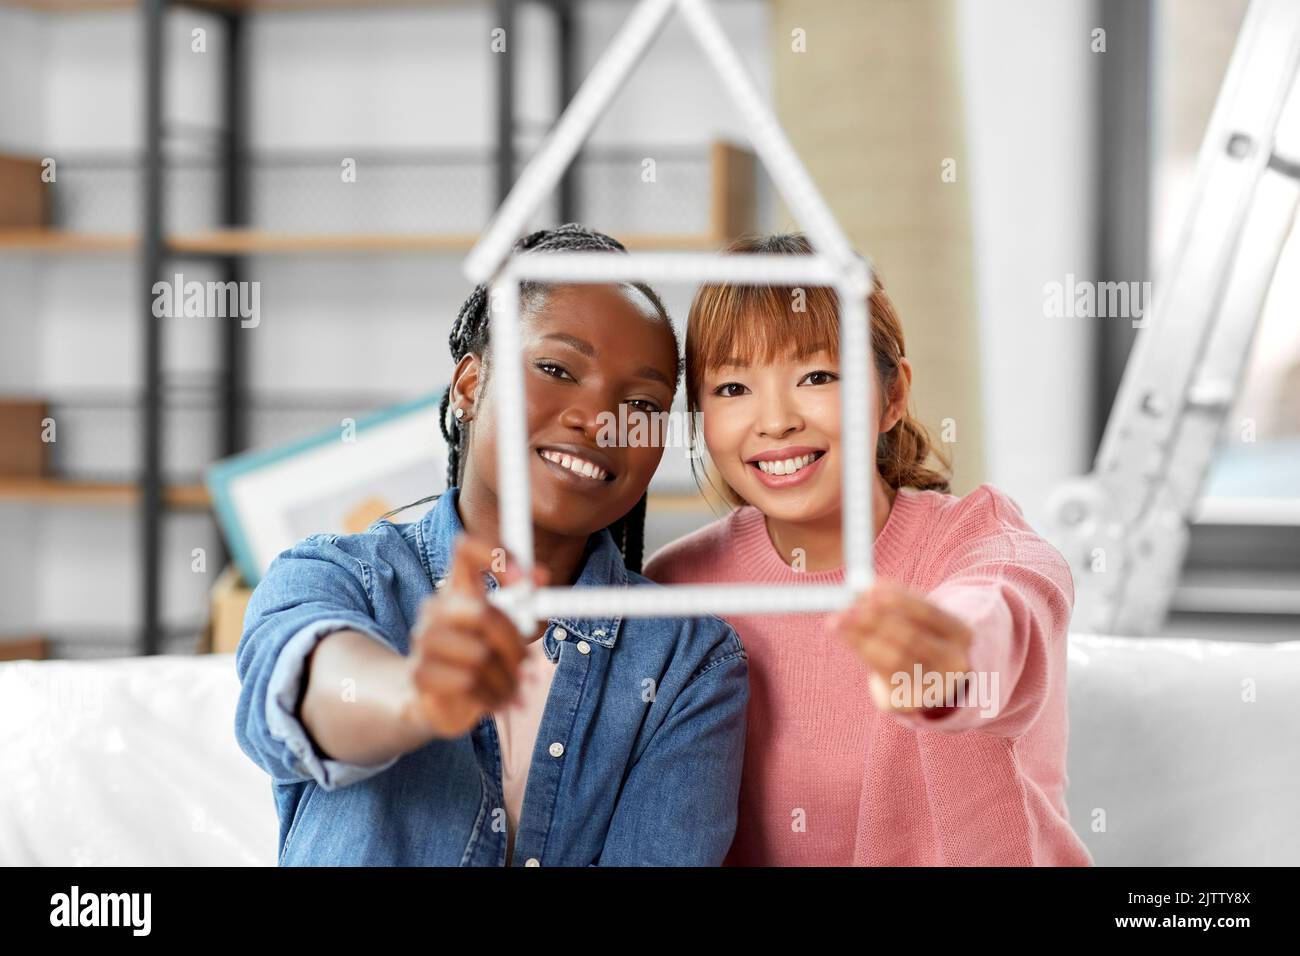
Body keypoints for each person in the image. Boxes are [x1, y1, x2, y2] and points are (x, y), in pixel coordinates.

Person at [235, 224, 748, 866]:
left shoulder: (689, 660)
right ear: (470, 387)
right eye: (558, 368)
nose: (599, 420)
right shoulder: (337, 575)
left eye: (642, 402)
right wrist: (411, 694)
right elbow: (302, 696)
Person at [644, 232, 1092, 866]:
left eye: (817, 375)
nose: (775, 421)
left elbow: (1009, 606)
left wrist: (951, 657)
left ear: (893, 395)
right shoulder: (678, 586)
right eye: (732, 388)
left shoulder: (974, 541)